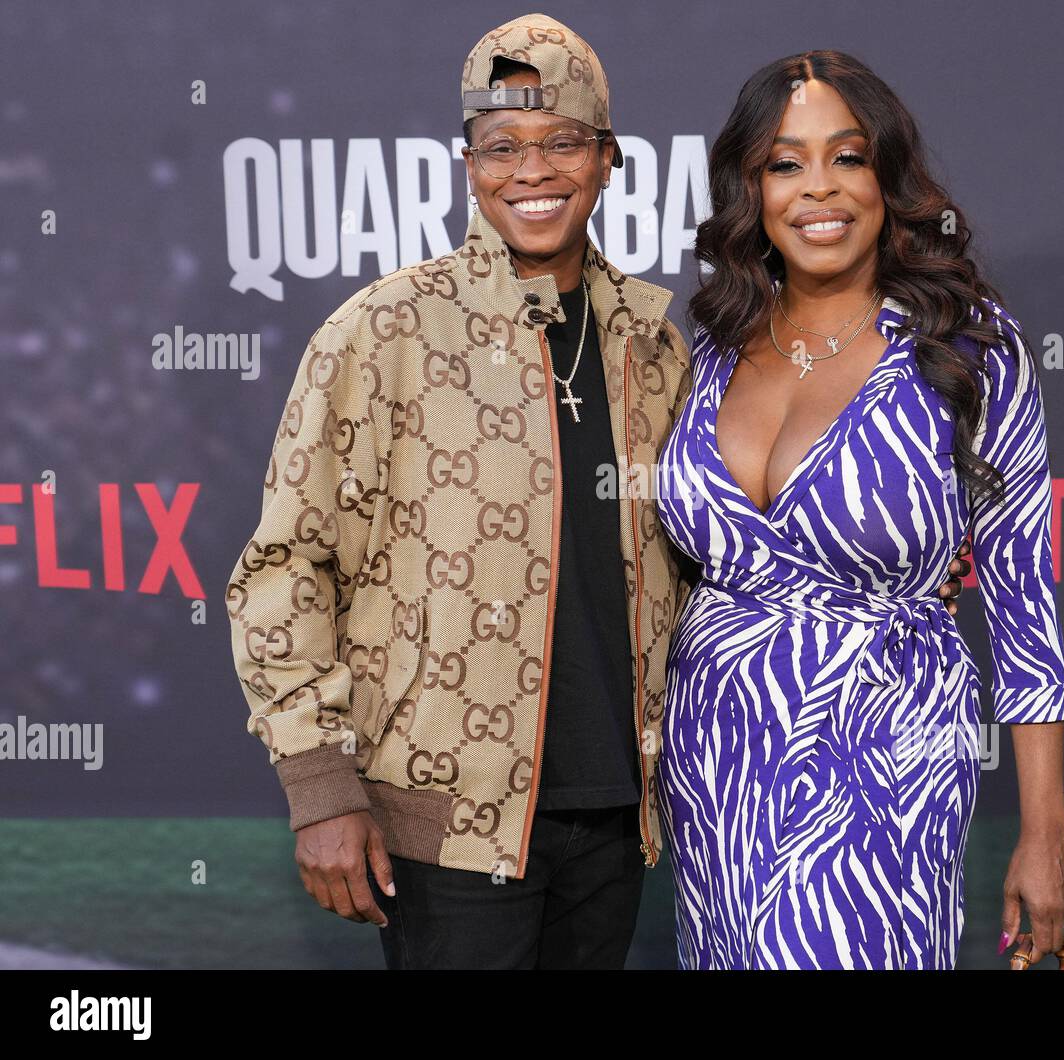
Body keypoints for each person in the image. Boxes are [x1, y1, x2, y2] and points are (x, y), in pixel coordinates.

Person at [227, 14, 968, 970]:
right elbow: (284, 565)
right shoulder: (383, 333)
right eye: (502, 147)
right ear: (468, 165)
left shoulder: (657, 343)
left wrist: (896, 554)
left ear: (607, 160)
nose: (531, 170)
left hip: (624, 817)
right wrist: (322, 788)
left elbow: (718, 535)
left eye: (562, 142)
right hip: (449, 823)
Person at [654, 50, 1064, 969]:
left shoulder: (969, 347)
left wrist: (1044, 833)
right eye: (784, 162)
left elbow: (1024, 601)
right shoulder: (719, 341)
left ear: (887, 177)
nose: (819, 189)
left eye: (847, 157)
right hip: (716, 760)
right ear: (752, 188)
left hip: (882, 761)